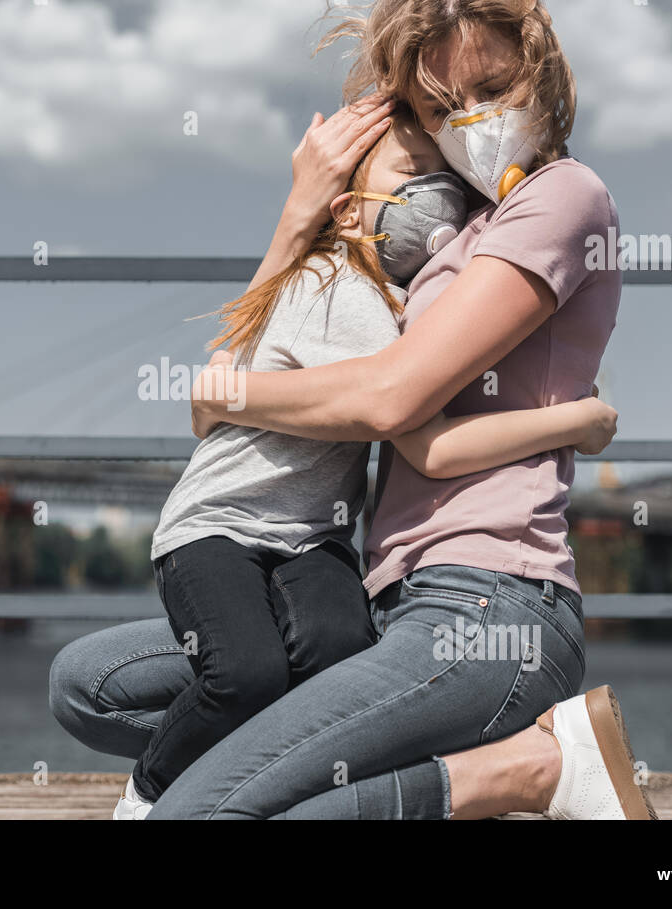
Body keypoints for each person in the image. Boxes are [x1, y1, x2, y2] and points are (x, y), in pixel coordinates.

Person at [52, 0, 655, 819]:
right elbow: (229, 388)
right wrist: (300, 215)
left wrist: (233, 396)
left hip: (487, 604)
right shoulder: (438, 235)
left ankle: (528, 770)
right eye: (444, 108)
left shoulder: (562, 198)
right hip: (378, 602)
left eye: (493, 84)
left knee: (203, 811)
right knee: (91, 683)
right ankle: (426, 764)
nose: (474, 120)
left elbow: (385, 402)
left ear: (540, 59)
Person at [119, 109, 619, 817]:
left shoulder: (417, 293)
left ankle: (502, 770)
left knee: (300, 675)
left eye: (445, 180)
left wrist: (224, 393)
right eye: (416, 178)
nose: (437, 195)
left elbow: (220, 388)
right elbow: (399, 422)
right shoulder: (346, 293)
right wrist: (581, 420)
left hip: (339, 555)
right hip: (234, 534)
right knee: (203, 675)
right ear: (352, 213)